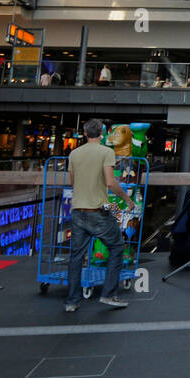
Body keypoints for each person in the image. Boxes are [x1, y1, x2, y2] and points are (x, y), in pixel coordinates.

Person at [65, 118, 138, 312]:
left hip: (78, 210)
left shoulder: (74, 153)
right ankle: (108, 294)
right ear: (102, 134)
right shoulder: (107, 152)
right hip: (98, 210)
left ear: (85, 133)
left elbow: (72, 182)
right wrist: (128, 200)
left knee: (76, 256)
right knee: (116, 247)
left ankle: (72, 301)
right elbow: (110, 182)